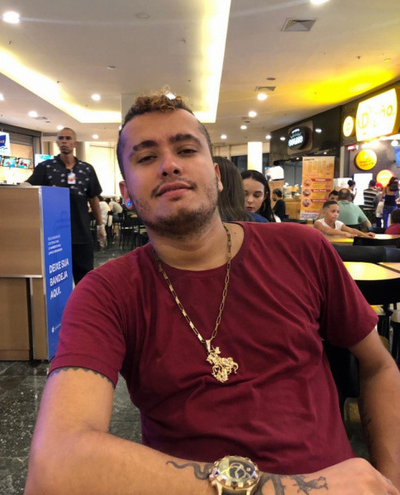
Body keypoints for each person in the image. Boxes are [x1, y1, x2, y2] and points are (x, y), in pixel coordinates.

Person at [25, 92, 400, 495]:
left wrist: (390, 480)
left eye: (186, 150)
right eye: (147, 157)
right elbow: (54, 468)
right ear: (126, 191)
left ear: (219, 177)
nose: (170, 165)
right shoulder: (106, 293)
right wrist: (291, 490)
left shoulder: (301, 248)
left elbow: (379, 366)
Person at [26, 128, 106, 284]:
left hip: (81, 233)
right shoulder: (45, 168)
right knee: (57, 281)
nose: (64, 141)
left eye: (68, 138)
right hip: (54, 237)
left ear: (75, 143)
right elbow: (30, 191)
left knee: (85, 280)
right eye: (61, 138)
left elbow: (93, 198)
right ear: (57, 142)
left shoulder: (86, 169)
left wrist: (100, 226)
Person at [214, 156, 267, 222]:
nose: (250, 200)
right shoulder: (259, 221)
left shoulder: (259, 221)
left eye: (257, 195)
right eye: (244, 194)